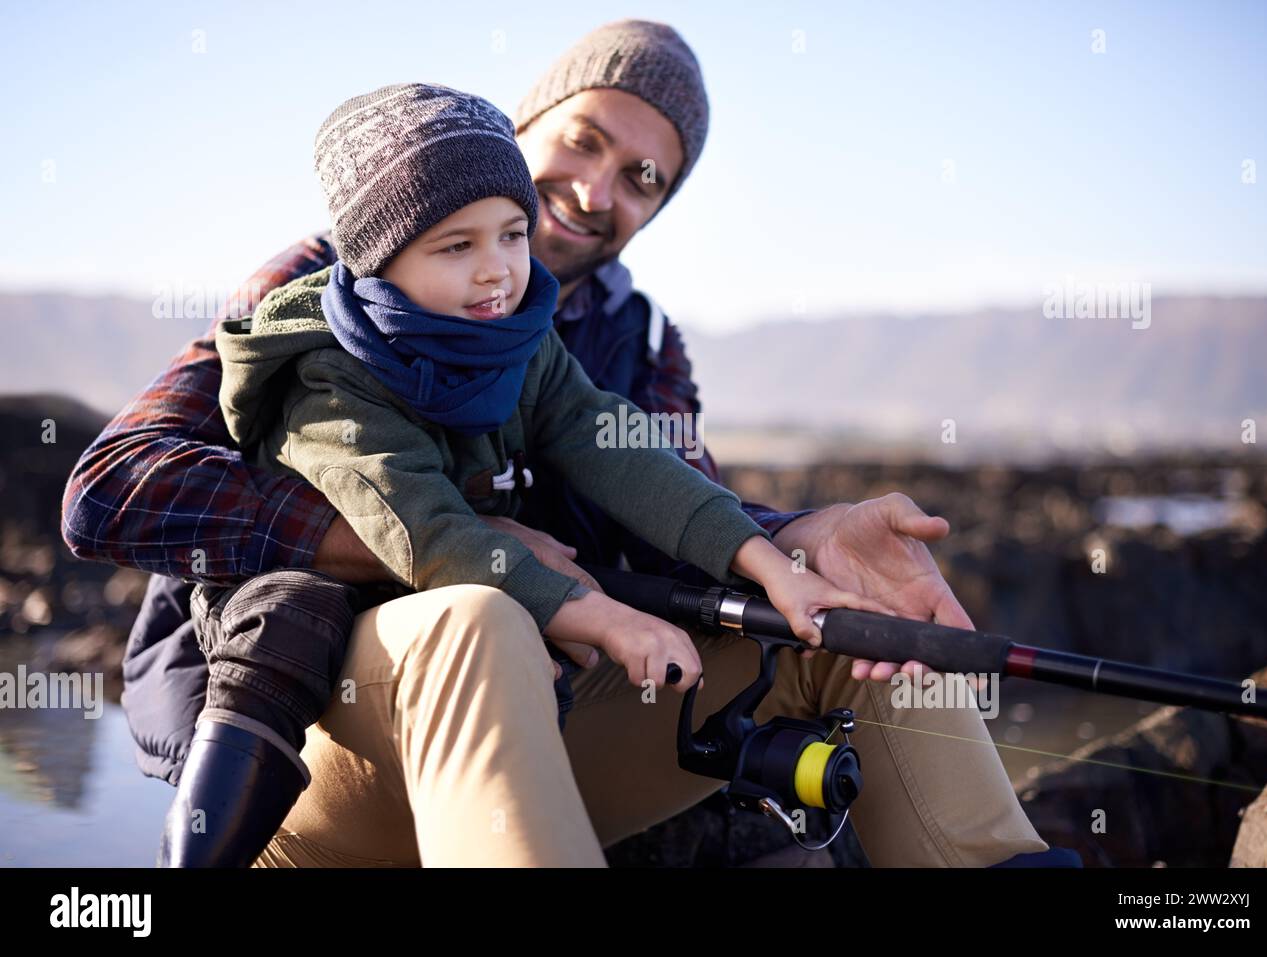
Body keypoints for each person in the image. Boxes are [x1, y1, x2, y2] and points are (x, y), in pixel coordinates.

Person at [62, 20, 1078, 867]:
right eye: (584, 141)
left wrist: (797, 544)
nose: (599, 190)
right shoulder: (324, 297)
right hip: (316, 731)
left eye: (642, 177)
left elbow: (658, 485)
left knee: (855, 618)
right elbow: (112, 488)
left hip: (541, 722)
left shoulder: (614, 341)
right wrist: (451, 551)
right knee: (478, 618)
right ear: (520, 127)